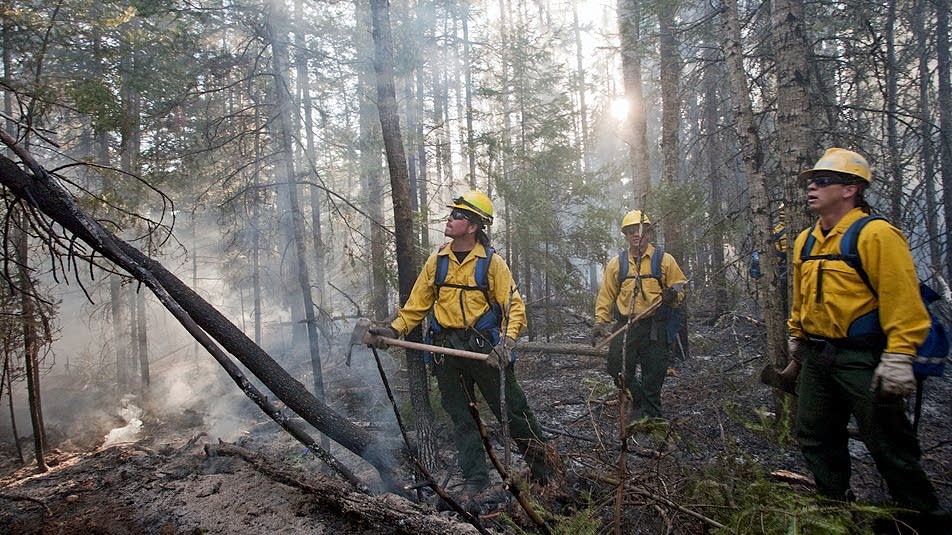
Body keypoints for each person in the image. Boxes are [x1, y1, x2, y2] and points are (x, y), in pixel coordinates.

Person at [785, 147, 950, 533]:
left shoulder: (877, 235)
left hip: (865, 359)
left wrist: (899, 357)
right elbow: (800, 296)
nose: (812, 187)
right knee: (814, 435)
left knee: (889, 443)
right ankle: (834, 510)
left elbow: (903, 300)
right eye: (811, 181)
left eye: (823, 181)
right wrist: (797, 338)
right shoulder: (805, 241)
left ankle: (924, 518)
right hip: (818, 357)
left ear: (851, 188)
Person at [366, 190, 558, 501]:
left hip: (485, 350)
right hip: (446, 352)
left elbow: (515, 307)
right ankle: (476, 480)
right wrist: (392, 330)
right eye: (452, 213)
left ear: (472, 226)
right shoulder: (437, 260)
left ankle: (546, 472)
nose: (450, 218)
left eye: (457, 215)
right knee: (462, 417)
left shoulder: (492, 263)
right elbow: (416, 305)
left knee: (514, 410)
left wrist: (507, 342)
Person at [592, 209, 687, 421]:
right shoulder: (617, 264)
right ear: (625, 235)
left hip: (656, 327)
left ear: (649, 234)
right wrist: (600, 323)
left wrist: (672, 295)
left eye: (641, 231)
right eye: (631, 231)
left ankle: (653, 421)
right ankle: (637, 399)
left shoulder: (665, 260)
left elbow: (680, 286)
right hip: (627, 326)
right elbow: (606, 295)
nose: (637, 235)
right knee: (615, 365)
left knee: (653, 375)